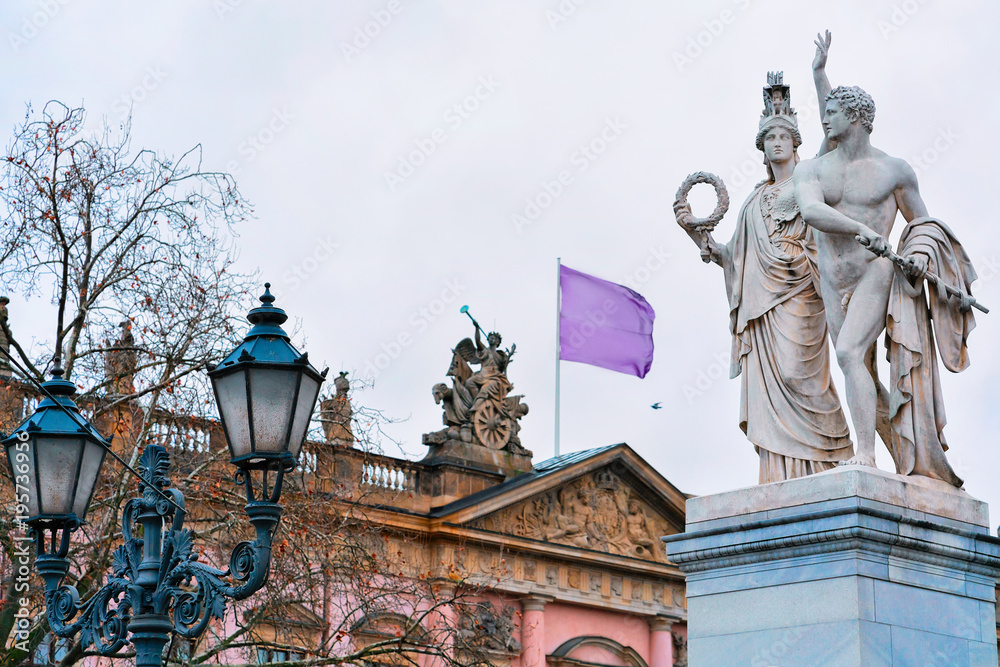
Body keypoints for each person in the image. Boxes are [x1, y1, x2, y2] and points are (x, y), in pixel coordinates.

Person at [675, 52, 853, 483]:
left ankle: (830, 460)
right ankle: (779, 474)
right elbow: (736, 258)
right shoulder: (754, 201)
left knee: (802, 376)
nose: (776, 143)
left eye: (783, 136)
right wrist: (703, 240)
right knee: (772, 382)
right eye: (769, 137)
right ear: (763, 147)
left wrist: (819, 75)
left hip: (804, 291)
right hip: (763, 305)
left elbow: (833, 139)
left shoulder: (810, 179)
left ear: (795, 143)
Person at [793, 49, 968, 485]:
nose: (823, 121)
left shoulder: (894, 171)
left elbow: (923, 224)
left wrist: (922, 256)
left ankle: (865, 456)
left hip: (876, 273)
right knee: (857, 366)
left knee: (850, 353)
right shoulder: (812, 169)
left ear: (854, 117)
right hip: (834, 281)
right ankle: (900, 448)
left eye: (831, 113)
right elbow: (811, 212)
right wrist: (856, 227)